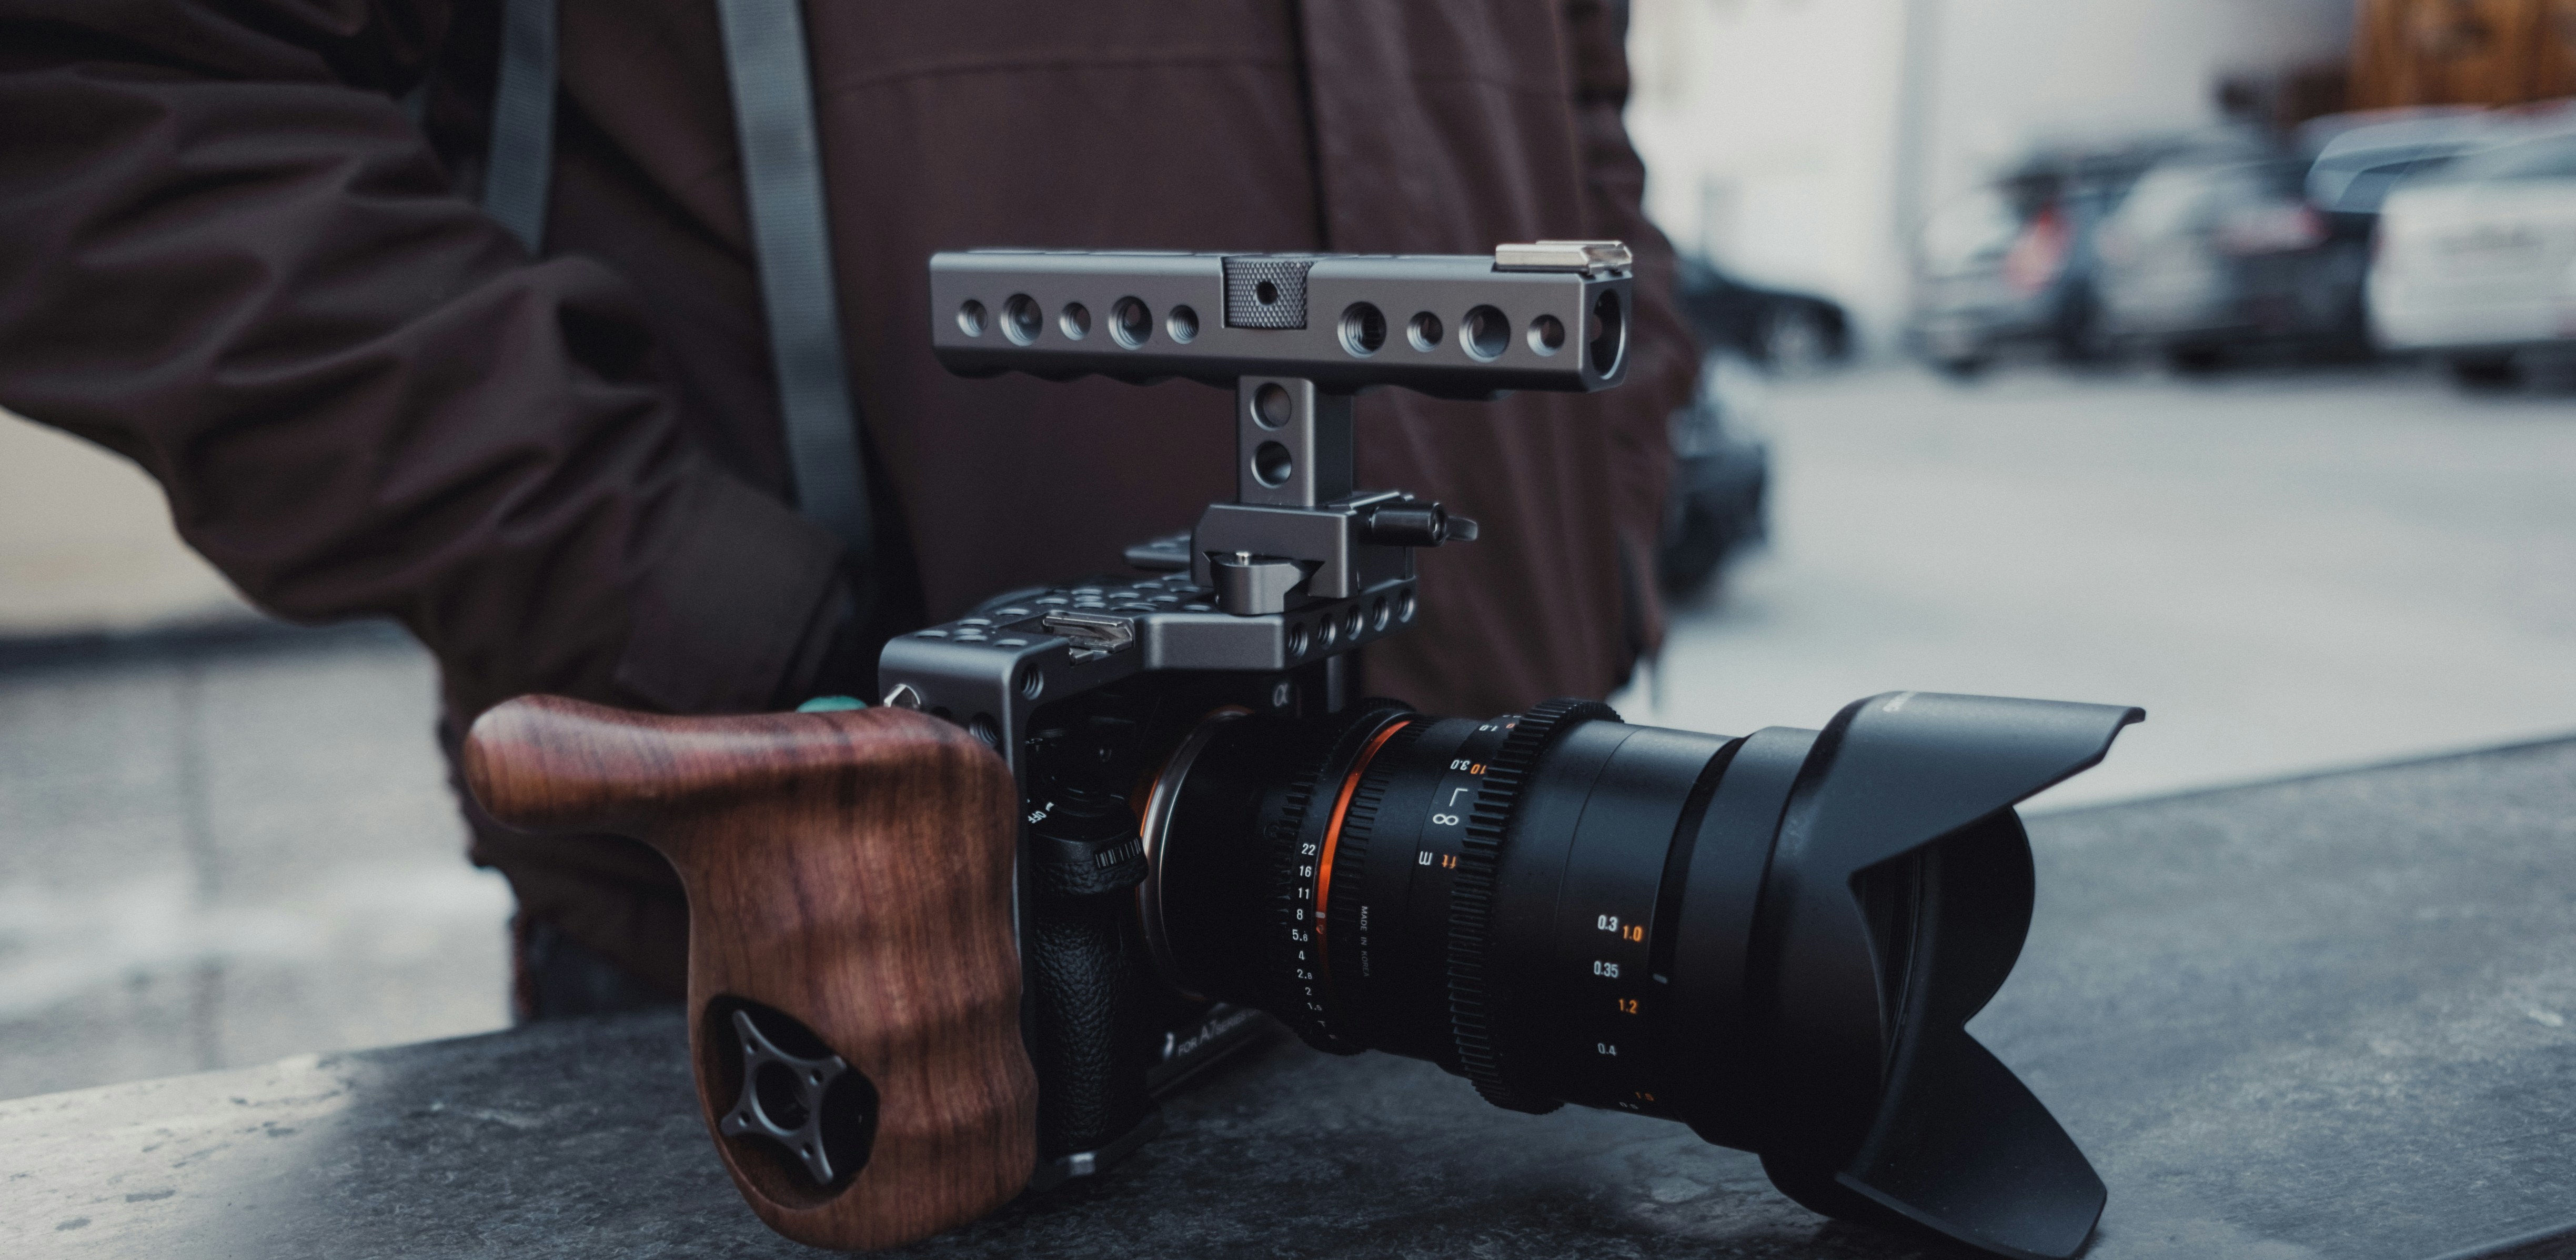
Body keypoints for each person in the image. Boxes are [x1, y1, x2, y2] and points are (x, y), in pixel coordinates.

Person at [0, 1, 1695, 1015]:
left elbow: (1576, 85)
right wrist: (716, 630)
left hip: (1483, 850)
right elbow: (113, 92)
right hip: (843, 907)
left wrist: (1616, 497)